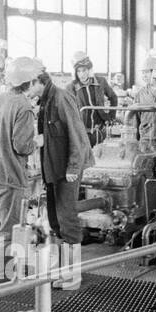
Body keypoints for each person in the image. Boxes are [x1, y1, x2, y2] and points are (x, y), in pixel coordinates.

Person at [0, 56, 45, 280]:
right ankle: (3, 280)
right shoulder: (23, 107)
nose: (38, 87)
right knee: (9, 230)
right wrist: (38, 141)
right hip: (10, 178)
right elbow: (22, 146)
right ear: (30, 82)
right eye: (37, 82)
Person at [37, 66, 94, 255]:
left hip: (67, 168)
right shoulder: (45, 101)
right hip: (53, 167)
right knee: (54, 218)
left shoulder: (61, 98)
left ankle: (72, 275)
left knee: (66, 217)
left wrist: (73, 168)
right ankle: (62, 265)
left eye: (28, 85)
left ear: (40, 82)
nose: (26, 90)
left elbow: (77, 136)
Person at [66, 50, 118, 147]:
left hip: (99, 130)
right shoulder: (71, 87)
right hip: (81, 132)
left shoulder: (100, 81)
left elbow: (113, 97)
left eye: (84, 70)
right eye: (78, 71)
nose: (82, 74)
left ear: (89, 70)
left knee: (100, 157)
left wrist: (111, 116)